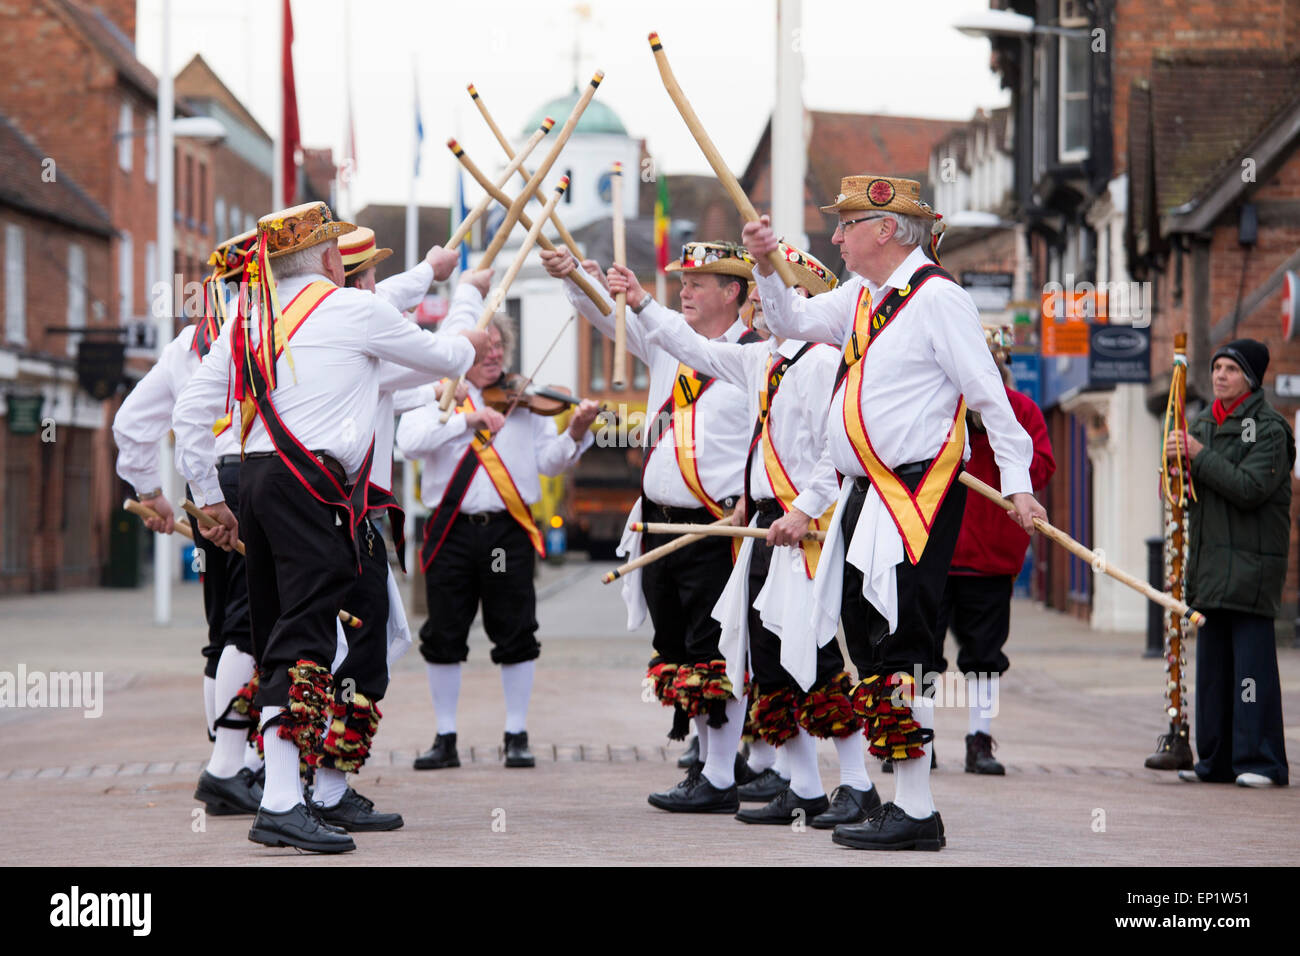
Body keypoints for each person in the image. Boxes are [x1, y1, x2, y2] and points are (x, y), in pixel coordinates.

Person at [173, 200, 488, 854]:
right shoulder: (353, 310)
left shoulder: (252, 316)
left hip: (255, 481)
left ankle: (284, 794)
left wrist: (210, 495)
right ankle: (285, 802)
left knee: (277, 635)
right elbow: (448, 356)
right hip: (310, 487)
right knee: (306, 639)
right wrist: (467, 304)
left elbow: (193, 408)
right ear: (328, 257)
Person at [745, 174, 1044, 851]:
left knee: (905, 641)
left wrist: (1020, 479)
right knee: (868, 640)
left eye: (846, 224)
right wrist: (765, 264)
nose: (836, 236)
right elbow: (790, 320)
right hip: (863, 494)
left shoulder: (940, 300)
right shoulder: (861, 297)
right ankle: (902, 799)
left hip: (915, 493)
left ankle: (917, 807)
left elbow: (988, 396)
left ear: (885, 230)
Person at [620, 242, 882, 828]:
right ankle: (807, 789)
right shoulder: (763, 358)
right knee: (766, 658)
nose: (763, 304)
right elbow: (690, 346)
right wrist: (639, 302)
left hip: (802, 525)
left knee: (811, 654)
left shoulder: (819, 362)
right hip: (766, 523)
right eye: (763, 294)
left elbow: (831, 455)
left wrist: (805, 509)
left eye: (775, 294)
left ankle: (859, 784)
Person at [542, 241, 761, 813]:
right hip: (660, 525)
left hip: (717, 525)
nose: (683, 291)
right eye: (681, 282)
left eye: (697, 282)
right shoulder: (667, 341)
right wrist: (578, 280)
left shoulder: (756, 357)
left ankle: (718, 773)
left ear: (732, 291)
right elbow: (609, 317)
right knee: (677, 646)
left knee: (714, 649)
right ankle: (709, 761)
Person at [298, 226, 473, 830]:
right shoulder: (362, 338)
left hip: (301, 507)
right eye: (369, 276)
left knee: (303, 646)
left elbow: (392, 314)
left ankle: (294, 786)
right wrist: (466, 319)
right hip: (349, 514)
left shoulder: (294, 331)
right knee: (358, 649)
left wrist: (432, 271)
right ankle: (324, 788)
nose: (379, 289)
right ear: (351, 284)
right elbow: (435, 360)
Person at [399, 312, 599, 770]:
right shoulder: (438, 394)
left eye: (499, 349)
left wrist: (576, 432)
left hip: (505, 533)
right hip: (450, 529)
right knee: (444, 630)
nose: (493, 356)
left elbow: (549, 463)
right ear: (461, 353)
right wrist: (468, 421)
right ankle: (445, 737)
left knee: (514, 627)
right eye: (483, 348)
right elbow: (409, 441)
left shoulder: (523, 401)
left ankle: (516, 734)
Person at [112, 228, 265, 816]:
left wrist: (153, 492)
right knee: (249, 631)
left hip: (206, 494)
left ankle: (237, 763)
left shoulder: (184, 345)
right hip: (250, 489)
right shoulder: (262, 334)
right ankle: (232, 766)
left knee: (224, 635)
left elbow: (130, 424)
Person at [931, 329, 1054, 776]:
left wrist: (1000, 444)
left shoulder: (1019, 410)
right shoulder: (940, 407)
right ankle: (917, 738)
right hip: (932, 552)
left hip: (989, 557)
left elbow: (1040, 464)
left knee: (984, 655)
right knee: (922, 651)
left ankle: (979, 740)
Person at [1171, 339, 1292, 788]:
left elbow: (1249, 486)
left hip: (1251, 570)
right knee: (1215, 675)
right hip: (1210, 570)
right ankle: (1216, 761)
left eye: (1231, 369)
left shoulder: (1267, 429)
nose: (1220, 375)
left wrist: (1197, 456)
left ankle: (1261, 762)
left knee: (1250, 677)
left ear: (1251, 379)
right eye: (1217, 367)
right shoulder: (1203, 422)